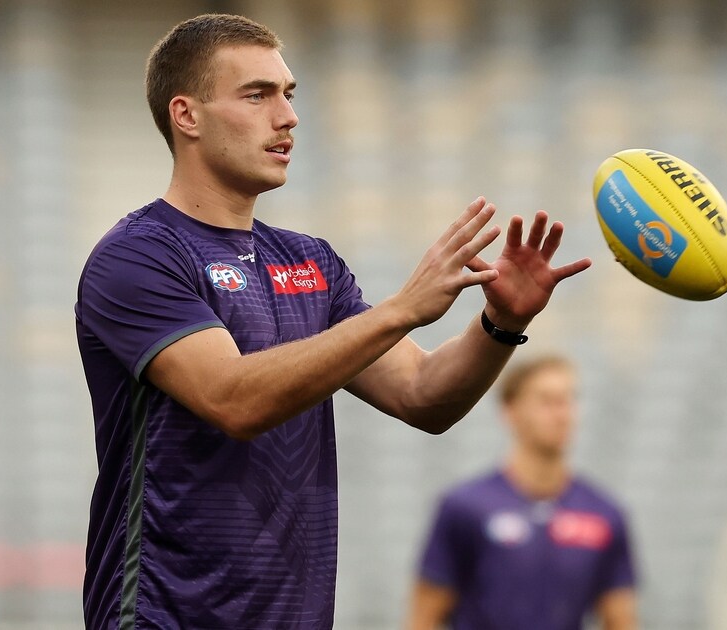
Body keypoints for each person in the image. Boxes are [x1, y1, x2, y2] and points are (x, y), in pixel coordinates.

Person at [74, 14, 590, 629]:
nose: (287, 117)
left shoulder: (310, 262)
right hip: (167, 615)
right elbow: (231, 398)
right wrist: (401, 310)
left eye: (288, 95)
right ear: (186, 116)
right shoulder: (140, 254)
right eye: (257, 95)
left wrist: (498, 324)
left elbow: (422, 395)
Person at [407, 356, 637, 630]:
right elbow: (423, 619)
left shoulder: (602, 514)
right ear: (510, 411)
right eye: (547, 401)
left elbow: (621, 620)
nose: (562, 413)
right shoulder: (464, 507)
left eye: (569, 400)